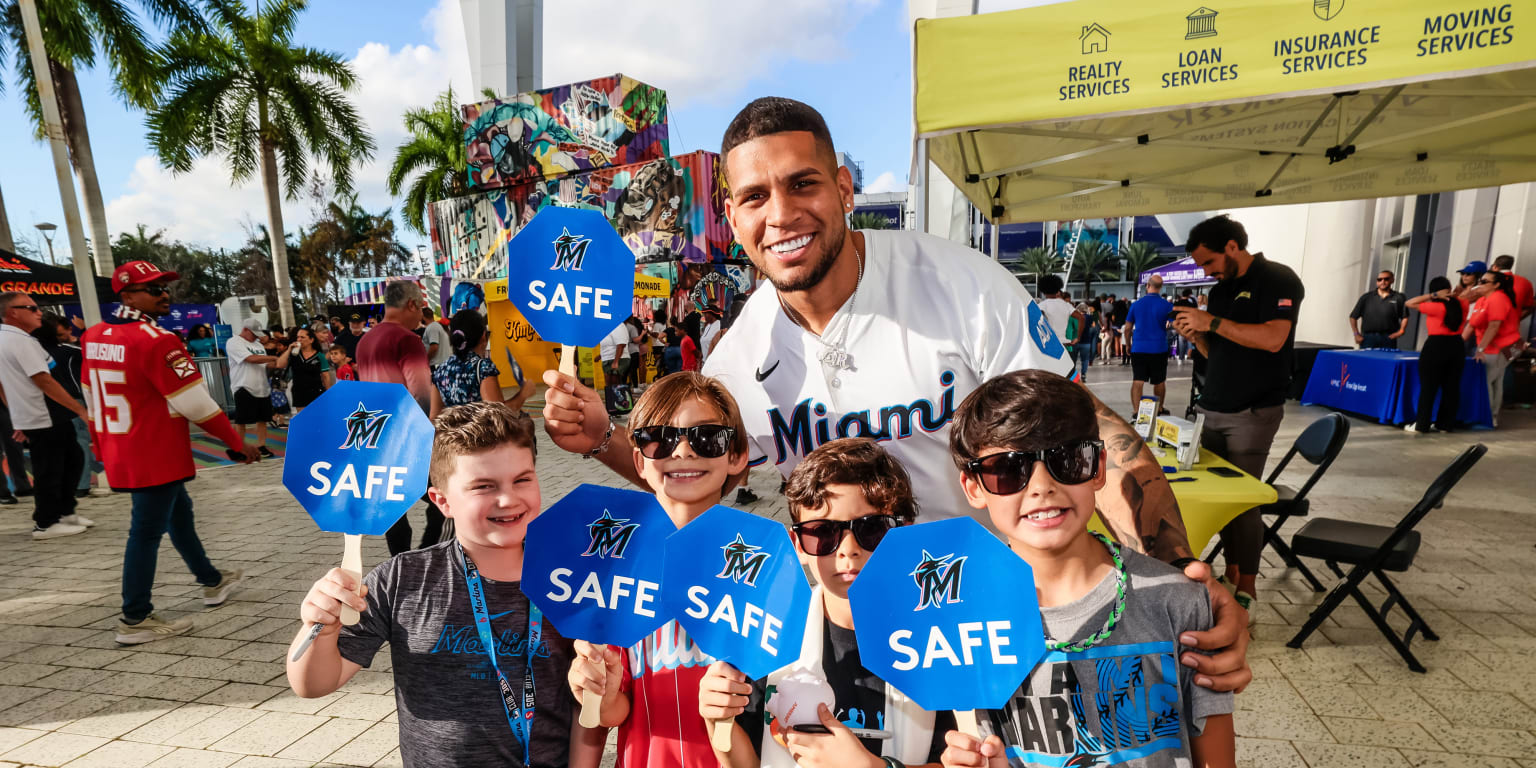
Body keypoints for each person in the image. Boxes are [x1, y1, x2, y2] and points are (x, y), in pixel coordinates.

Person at [545, 96, 1251, 692]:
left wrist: (1173, 576)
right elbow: (688, 473)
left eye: (802, 184)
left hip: (992, 613)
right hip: (852, 625)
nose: (781, 213)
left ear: (844, 188)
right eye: (756, 196)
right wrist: (603, 438)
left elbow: (1090, 434)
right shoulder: (737, 358)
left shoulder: (960, 286)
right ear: (733, 217)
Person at [941, 369, 1234, 768]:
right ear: (974, 487)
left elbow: (1217, 756)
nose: (1042, 486)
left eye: (1067, 459)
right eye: (1008, 469)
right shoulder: (961, 618)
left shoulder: (1178, 600)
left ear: (1098, 468)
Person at [287, 401, 601, 768]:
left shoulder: (575, 581)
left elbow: (588, 704)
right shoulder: (401, 579)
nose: (508, 499)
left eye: (522, 479)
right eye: (483, 486)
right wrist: (320, 630)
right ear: (442, 501)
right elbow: (313, 684)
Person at [699, 437, 953, 768]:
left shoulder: (943, 640)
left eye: (871, 529)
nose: (848, 550)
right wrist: (717, 719)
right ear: (798, 544)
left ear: (903, 533)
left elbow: (959, 756)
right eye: (823, 533)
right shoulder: (767, 635)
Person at [566, 372, 751, 768]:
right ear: (640, 461)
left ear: (736, 455)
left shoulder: (759, 568)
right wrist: (600, 691)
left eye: (707, 437)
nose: (682, 451)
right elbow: (616, 710)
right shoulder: (618, 571)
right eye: (659, 438)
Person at [81, 261, 256, 644]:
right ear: (128, 296)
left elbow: (90, 396)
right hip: (155, 451)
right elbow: (196, 403)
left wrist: (99, 444)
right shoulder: (157, 340)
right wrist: (236, 442)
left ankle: (211, 580)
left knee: (179, 516)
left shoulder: (94, 335)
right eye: (153, 288)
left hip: (124, 446)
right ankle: (135, 617)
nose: (164, 294)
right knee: (145, 532)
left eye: (164, 286)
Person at [1172, 214, 1304, 618]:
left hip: (1252, 410)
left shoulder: (1277, 278)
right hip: (1212, 406)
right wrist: (1199, 336)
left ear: (1232, 246)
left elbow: (1274, 338)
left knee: (1242, 500)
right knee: (1216, 496)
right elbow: (1221, 354)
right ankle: (1230, 572)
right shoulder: (1221, 291)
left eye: (1209, 262)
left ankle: (1247, 587)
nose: (1207, 272)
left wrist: (1210, 321)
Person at [0, 292, 92, 539]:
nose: (39, 312)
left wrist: (17, 416)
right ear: (13, 313)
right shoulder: (21, 341)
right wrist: (80, 410)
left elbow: (2, 385)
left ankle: (65, 512)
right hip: (43, 413)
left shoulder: (8, 338)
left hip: (37, 413)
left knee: (71, 459)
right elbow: (44, 380)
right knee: (49, 468)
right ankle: (46, 522)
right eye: (32, 308)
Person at [356, 281, 438, 555]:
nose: (421, 316)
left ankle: (400, 562)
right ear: (411, 304)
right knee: (444, 498)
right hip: (407, 437)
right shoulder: (408, 340)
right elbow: (421, 395)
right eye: (421, 308)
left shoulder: (366, 341)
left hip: (376, 436)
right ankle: (427, 554)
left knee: (392, 512)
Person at [31, 314, 100, 498]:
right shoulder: (67, 350)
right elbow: (93, 349)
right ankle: (81, 484)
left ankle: (73, 483)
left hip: (48, 402)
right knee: (79, 441)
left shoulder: (33, 353)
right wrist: (84, 331)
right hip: (73, 400)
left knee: (63, 444)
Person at [1405, 276, 1467, 434]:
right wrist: (1455, 293)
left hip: (1436, 345)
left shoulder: (1435, 307)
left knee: (1428, 387)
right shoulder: (1462, 304)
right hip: (1457, 345)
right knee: (1451, 387)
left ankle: (1421, 425)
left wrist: (1433, 296)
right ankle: (1444, 425)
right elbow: (1464, 297)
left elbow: (1409, 303)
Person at [225, 317, 289, 457]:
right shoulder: (234, 342)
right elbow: (250, 359)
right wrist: (273, 358)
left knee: (263, 419)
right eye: (253, 333)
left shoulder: (259, 345)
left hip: (261, 386)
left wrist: (279, 362)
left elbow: (265, 364)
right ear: (245, 330)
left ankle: (261, 446)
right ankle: (238, 448)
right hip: (243, 385)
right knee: (241, 420)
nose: (256, 337)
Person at [1463, 270, 1521, 424]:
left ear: (1496, 285)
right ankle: (1490, 415)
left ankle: (1488, 416)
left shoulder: (1498, 299)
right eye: (1480, 281)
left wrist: (1480, 349)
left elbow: (1494, 326)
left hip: (1504, 346)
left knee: (1488, 379)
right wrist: (1458, 343)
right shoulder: (1483, 300)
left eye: (1484, 282)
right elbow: (1472, 324)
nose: (1479, 284)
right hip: (1494, 346)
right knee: (1495, 380)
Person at [430, 309, 505, 419]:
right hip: (480, 430)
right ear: (483, 336)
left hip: (453, 430)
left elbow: (434, 418)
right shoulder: (483, 368)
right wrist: (521, 396)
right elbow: (498, 415)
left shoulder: (440, 371)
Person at [1348, 269, 1408, 349]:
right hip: (1368, 338)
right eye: (1379, 279)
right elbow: (1353, 317)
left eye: (1386, 279)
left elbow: (1405, 316)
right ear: (1377, 282)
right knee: (1367, 357)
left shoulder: (1399, 297)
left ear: (1392, 280)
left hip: (1389, 338)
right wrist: (1356, 334)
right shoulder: (1366, 297)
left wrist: (1401, 331)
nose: (1383, 282)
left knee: (1386, 357)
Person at [287, 327, 331, 413]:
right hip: (299, 392)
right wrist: (289, 350)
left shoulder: (320, 356)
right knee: (303, 417)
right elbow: (279, 364)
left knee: (318, 416)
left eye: (302, 337)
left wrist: (329, 393)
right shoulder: (294, 354)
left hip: (316, 391)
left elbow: (325, 375)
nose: (299, 339)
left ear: (311, 340)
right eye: (298, 337)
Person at [1489, 254, 1535, 335]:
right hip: (1511, 332)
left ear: (1495, 267)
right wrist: (1515, 319)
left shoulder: (1489, 281)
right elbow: (1530, 307)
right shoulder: (1525, 282)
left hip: (1487, 328)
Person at [1037, 275, 1082, 354]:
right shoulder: (1066, 305)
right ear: (1058, 290)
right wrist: (1077, 337)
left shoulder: (1042, 306)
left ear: (1043, 291)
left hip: (1049, 343)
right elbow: (1081, 318)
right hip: (1064, 343)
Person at [598, 318, 634, 414]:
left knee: (615, 384)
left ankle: (622, 408)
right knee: (609, 385)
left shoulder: (618, 326)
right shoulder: (607, 327)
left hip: (619, 359)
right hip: (608, 359)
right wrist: (600, 356)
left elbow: (621, 345)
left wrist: (616, 361)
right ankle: (613, 407)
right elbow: (608, 345)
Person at [1073, 296, 1101, 382]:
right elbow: (1092, 325)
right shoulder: (1089, 317)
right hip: (1086, 341)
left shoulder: (1074, 317)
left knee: (1073, 359)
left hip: (1075, 341)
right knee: (1085, 360)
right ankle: (1083, 374)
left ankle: (1073, 375)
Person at [1172, 289, 1198, 362]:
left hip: (1179, 324)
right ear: (1189, 295)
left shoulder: (1177, 303)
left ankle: (1181, 357)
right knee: (1189, 340)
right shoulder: (1190, 304)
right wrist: (1192, 298)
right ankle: (1187, 355)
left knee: (1181, 342)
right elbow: (1195, 307)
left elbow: (1173, 313)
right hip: (1188, 323)